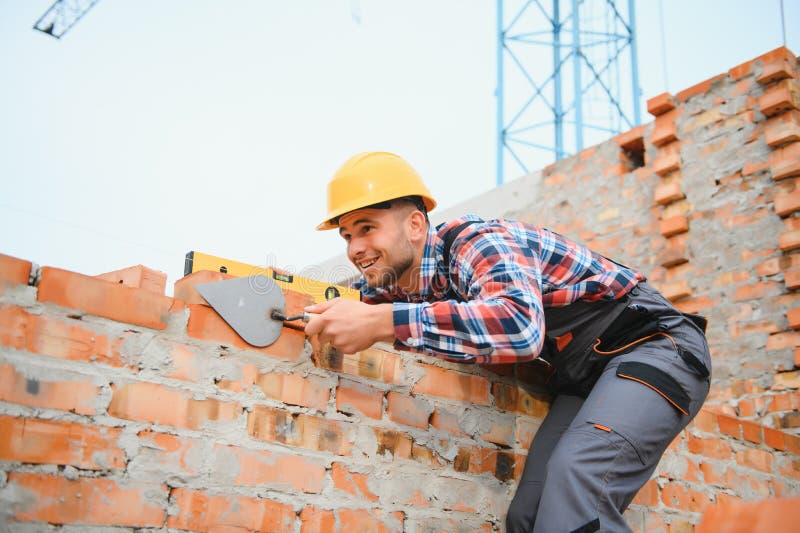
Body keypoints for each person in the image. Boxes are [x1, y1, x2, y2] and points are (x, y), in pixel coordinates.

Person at [304, 151, 711, 533]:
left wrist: (385, 322)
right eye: (345, 236)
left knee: (579, 480)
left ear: (414, 225)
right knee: (528, 516)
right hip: (586, 377)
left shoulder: (477, 242)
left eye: (366, 228)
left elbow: (518, 326)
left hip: (655, 348)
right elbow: (340, 304)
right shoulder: (401, 283)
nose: (355, 248)